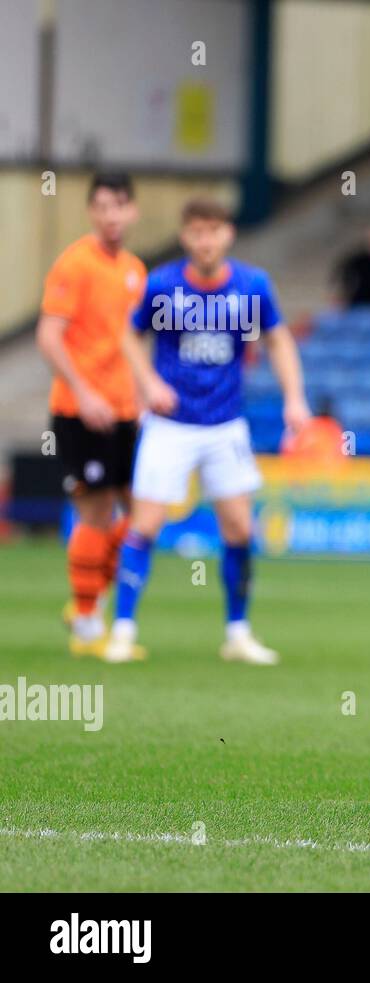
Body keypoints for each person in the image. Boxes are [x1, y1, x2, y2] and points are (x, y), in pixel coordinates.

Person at [106, 198, 310, 664]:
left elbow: (278, 340)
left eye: (213, 231)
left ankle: (237, 633)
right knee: (146, 524)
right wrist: (149, 383)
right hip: (170, 425)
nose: (205, 240)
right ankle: (122, 628)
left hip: (224, 425)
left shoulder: (252, 286)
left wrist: (295, 398)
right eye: (197, 231)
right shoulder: (162, 285)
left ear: (228, 235)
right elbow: (127, 334)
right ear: (185, 236)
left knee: (239, 527)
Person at [35, 173, 146, 658]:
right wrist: (83, 393)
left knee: (142, 517)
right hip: (81, 411)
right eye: (102, 206)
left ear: (132, 211)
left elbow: (134, 341)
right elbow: (48, 335)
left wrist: (141, 394)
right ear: (90, 212)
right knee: (98, 512)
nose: (111, 215)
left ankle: (88, 597)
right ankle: (85, 624)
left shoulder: (136, 270)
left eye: (119, 205)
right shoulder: (75, 264)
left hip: (125, 411)